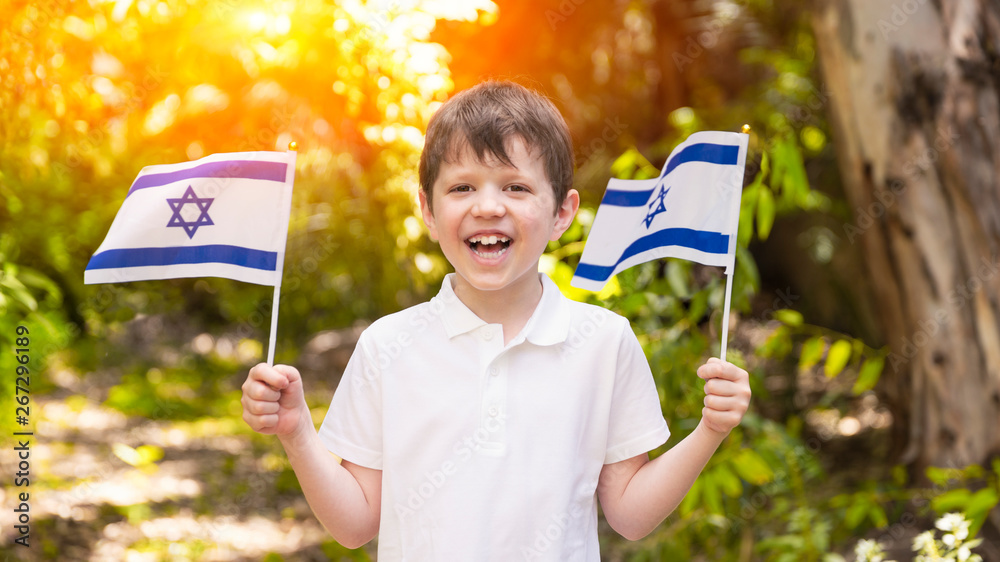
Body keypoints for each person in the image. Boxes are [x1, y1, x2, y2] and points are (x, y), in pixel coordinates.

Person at [241, 80, 751, 560]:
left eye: (515, 187)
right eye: (462, 187)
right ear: (427, 208)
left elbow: (631, 515)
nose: (488, 206)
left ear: (562, 213)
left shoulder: (602, 342)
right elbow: (354, 526)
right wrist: (297, 432)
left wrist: (710, 429)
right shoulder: (388, 344)